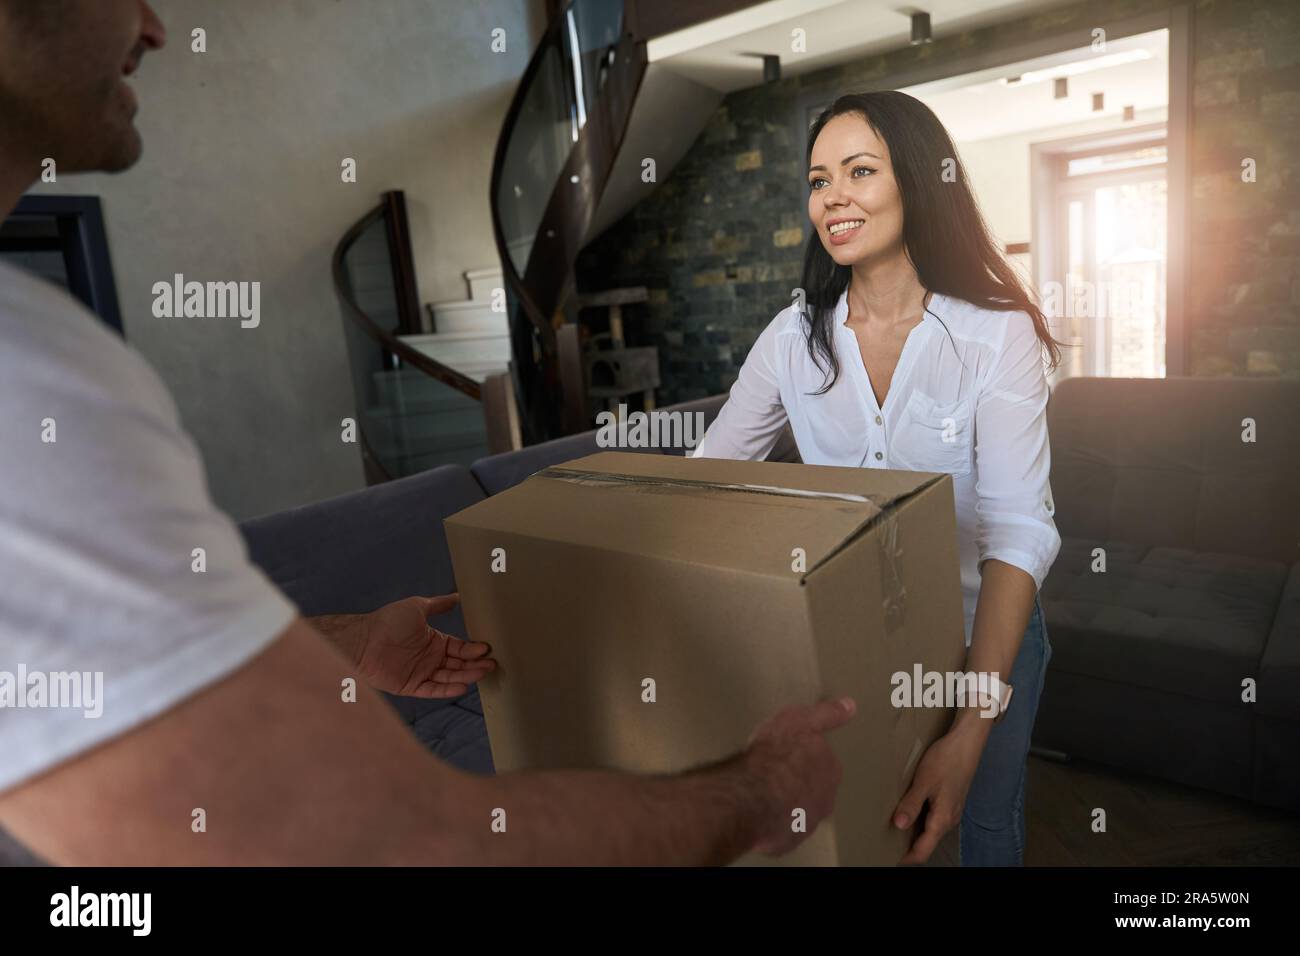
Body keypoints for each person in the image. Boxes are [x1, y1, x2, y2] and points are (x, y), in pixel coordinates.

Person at [0, 0, 853, 866]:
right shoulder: (27, 369)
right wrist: (762, 794)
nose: (156, 28)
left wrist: (351, 643)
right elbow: (410, 845)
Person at [691, 91, 1063, 866]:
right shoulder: (794, 339)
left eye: (860, 171)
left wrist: (966, 730)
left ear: (921, 181)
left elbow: (1017, 530)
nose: (834, 198)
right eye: (818, 180)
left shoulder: (997, 334)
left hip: (981, 627)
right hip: (857, 630)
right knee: (870, 826)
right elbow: (710, 482)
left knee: (984, 823)